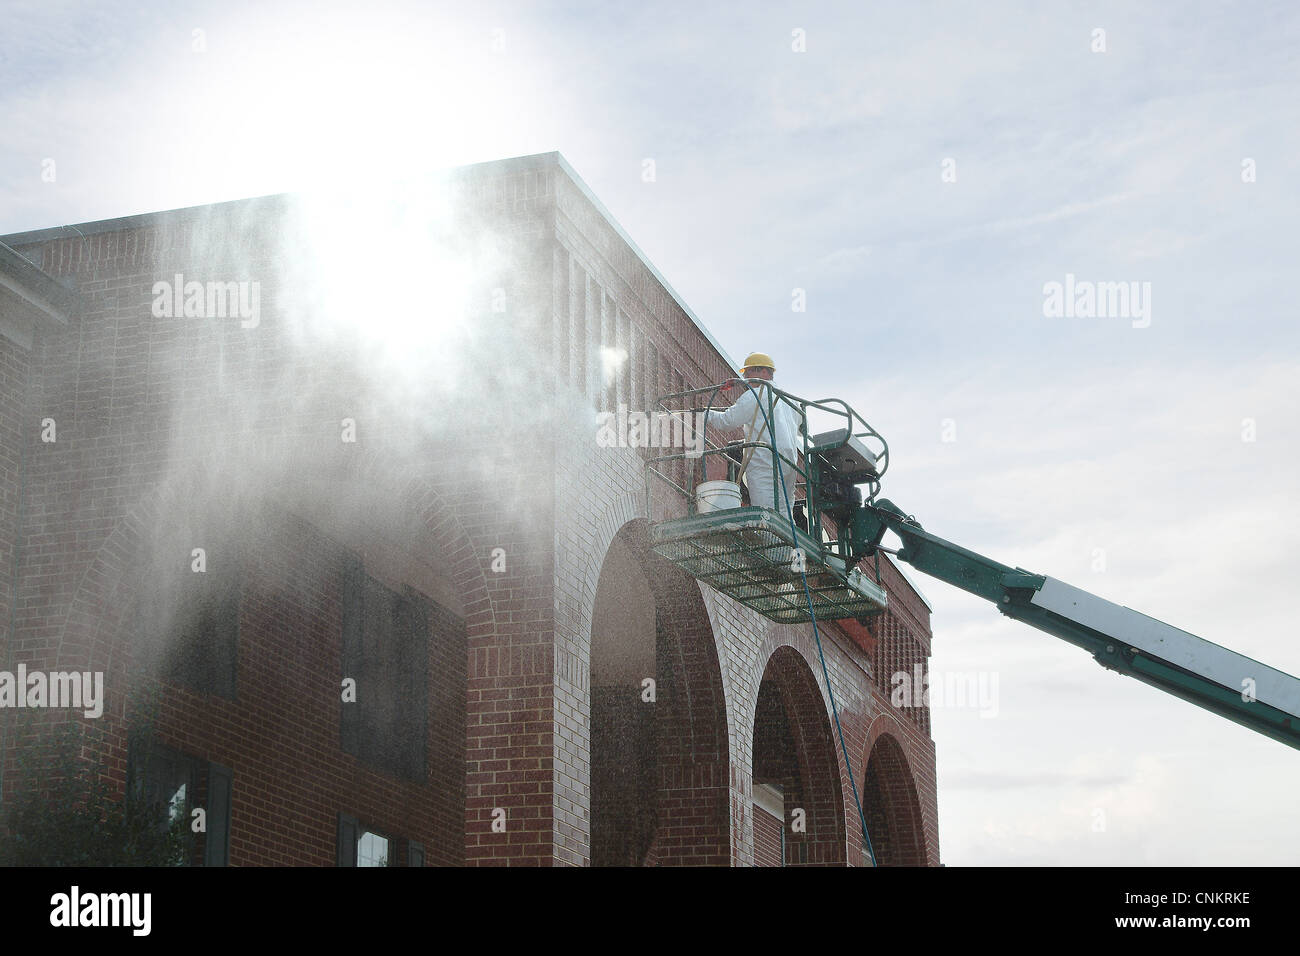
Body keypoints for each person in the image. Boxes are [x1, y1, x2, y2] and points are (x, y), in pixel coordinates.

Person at [707, 352, 801, 512]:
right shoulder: (790, 400)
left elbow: (727, 421)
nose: (746, 379)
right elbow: (799, 426)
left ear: (764, 372)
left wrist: (703, 414)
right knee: (784, 509)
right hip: (789, 461)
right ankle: (787, 537)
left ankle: (770, 537)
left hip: (765, 460)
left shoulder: (756, 395)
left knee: (765, 509)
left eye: (749, 372)